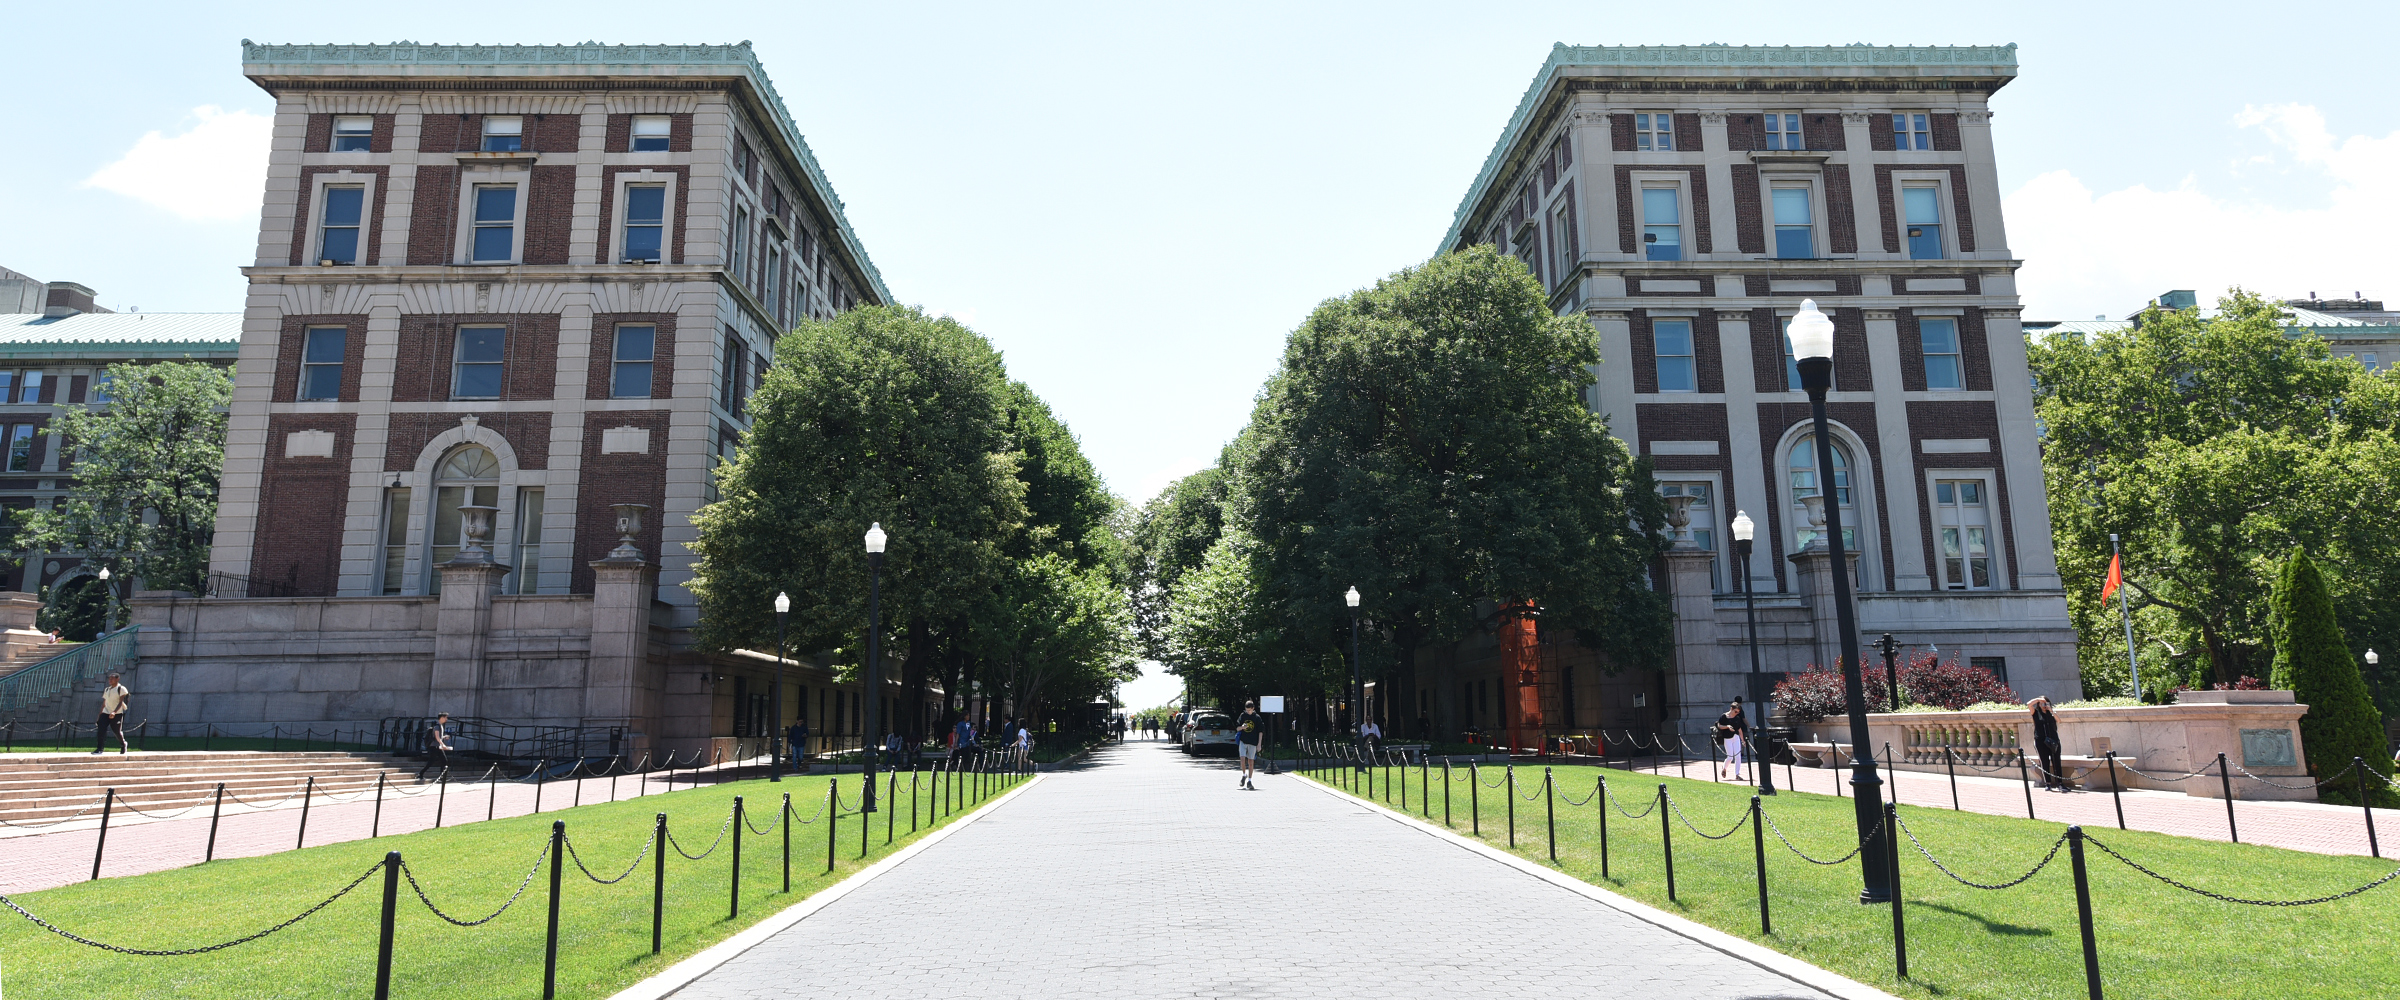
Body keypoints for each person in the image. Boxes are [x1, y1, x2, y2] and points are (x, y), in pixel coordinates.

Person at [2031, 697, 2065, 790]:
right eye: (2042, 704)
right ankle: (2048, 783)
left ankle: (2060, 783)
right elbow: (2029, 704)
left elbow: (2059, 720)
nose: (2044, 705)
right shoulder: (2036, 713)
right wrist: (2038, 699)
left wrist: (2051, 710)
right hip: (2041, 741)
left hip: (2053, 740)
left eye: (2046, 703)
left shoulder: (2051, 713)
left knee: (2056, 761)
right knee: (2044, 762)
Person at [94, 671, 131, 754]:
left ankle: (123, 744)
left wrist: (114, 712)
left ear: (117, 679)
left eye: (112, 678)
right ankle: (100, 748)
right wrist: (99, 715)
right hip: (106, 712)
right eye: (109, 678)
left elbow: (121, 702)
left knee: (116, 731)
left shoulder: (121, 688)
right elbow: (104, 703)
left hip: (117, 713)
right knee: (101, 730)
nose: (110, 680)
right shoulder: (107, 689)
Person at [1715, 700, 1750, 781]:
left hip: (1736, 737)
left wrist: (1743, 740)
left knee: (1738, 756)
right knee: (1730, 756)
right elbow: (1719, 726)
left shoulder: (1737, 718)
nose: (1736, 713)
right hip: (1727, 738)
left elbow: (1739, 729)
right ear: (1731, 709)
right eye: (1735, 711)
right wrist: (1727, 726)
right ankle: (1724, 768)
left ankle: (1737, 774)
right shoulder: (1724, 716)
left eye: (1738, 712)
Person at [1234, 700, 1265, 789]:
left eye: (1249, 710)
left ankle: (1250, 781)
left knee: (1251, 762)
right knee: (1242, 760)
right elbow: (1237, 728)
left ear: (1253, 709)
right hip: (1243, 741)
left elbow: (1260, 731)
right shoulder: (1243, 716)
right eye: (1247, 710)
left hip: (1253, 742)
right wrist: (1242, 727)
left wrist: (1259, 744)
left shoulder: (1257, 717)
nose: (1248, 712)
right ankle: (1244, 775)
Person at [420, 712, 454, 777]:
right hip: (434, 746)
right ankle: (421, 773)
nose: (446, 719)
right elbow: (437, 737)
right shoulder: (437, 726)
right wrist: (443, 744)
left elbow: (439, 737)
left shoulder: (440, 726)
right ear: (441, 718)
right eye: (445, 717)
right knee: (433, 761)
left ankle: (441, 776)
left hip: (437, 747)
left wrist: (444, 737)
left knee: (443, 761)